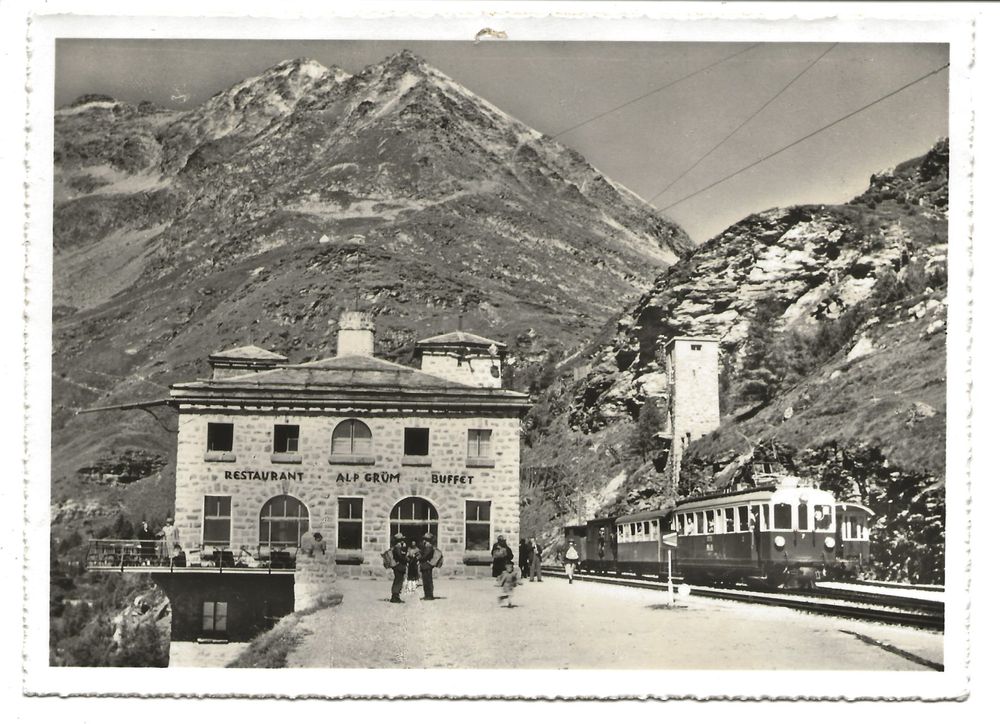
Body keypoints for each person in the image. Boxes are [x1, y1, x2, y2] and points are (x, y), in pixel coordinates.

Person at [390, 533, 408, 603]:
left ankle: (396, 595)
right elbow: (400, 557)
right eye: (402, 540)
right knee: (398, 581)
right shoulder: (397, 547)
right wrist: (407, 559)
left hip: (399, 566)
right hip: (398, 566)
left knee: (399, 581)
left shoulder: (399, 547)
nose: (403, 541)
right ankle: (395, 596)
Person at [419, 532, 437, 600]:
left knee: (427, 581)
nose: (424, 540)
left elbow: (425, 556)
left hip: (427, 566)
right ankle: (427, 594)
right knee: (426, 581)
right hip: (425, 566)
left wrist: (419, 558)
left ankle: (429, 595)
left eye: (425, 539)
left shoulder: (428, 546)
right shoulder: (426, 546)